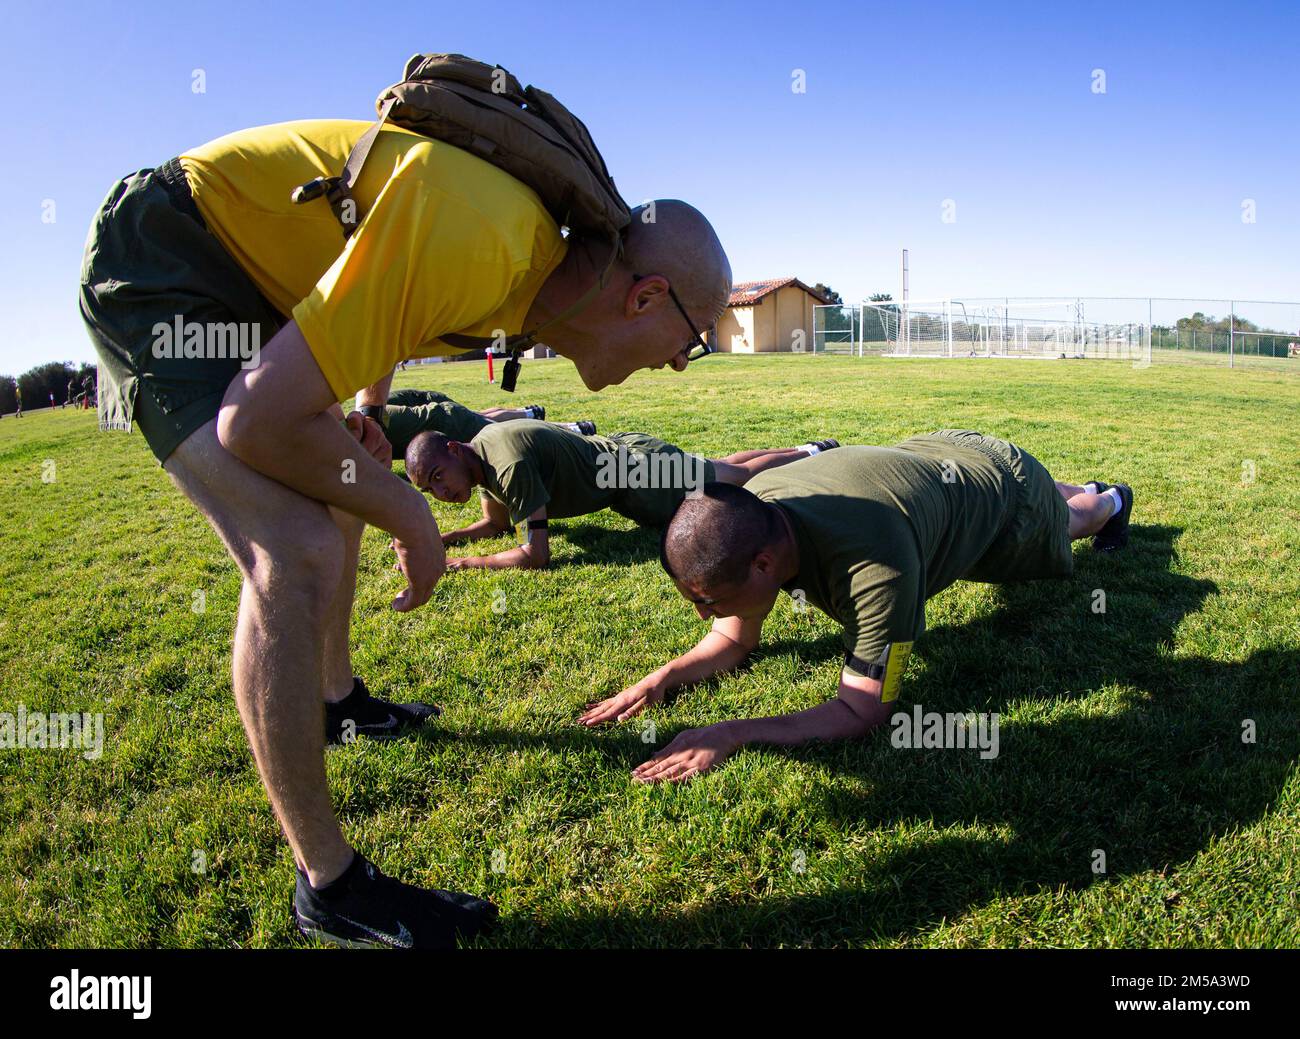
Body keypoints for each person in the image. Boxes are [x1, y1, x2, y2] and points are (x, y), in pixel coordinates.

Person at [78, 113, 731, 948]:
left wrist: (365, 411)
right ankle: (331, 888)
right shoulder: (492, 241)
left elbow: (383, 289)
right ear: (645, 296)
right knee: (296, 544)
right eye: (692, 340)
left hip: (244, 274)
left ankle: (338, 702)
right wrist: (407, 508)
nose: (681, 362)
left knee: (343, 481)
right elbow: (252, 422)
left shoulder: (526, 274)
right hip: (166, 254)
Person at [579, 429, 1133, 784]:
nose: (705, 615)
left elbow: (862, 711)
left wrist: (732, 732)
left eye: (710, 601)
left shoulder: (875, 568)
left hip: (1001, 493)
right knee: (1013, 485)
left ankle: (1111, 498)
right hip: (933, 453)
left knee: (1071, 521)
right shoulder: (755, 520)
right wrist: (662, 679)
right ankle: (1060, 486)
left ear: (765, 566)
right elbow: (734, 638)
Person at [405, 420, 838, 570]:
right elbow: (497, 524)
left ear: (454, 449)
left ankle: (810, 454)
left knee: (731, 478)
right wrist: (440, 540)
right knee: (721, 467)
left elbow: (536, 555)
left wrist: (464, 562)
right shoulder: (483, 455)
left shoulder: (508, 466)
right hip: (626, 461)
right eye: (432, 489)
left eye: (440, 477)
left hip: (636, 476)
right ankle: (810, 448)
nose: (443, 492)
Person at [377, 389, 594, 458]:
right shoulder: (363, 414)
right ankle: (529, 413)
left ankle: (572, 430)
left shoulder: (361, 430)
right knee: (476, 417)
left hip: (440, 418)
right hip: (429, 408)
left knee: (501, 433)